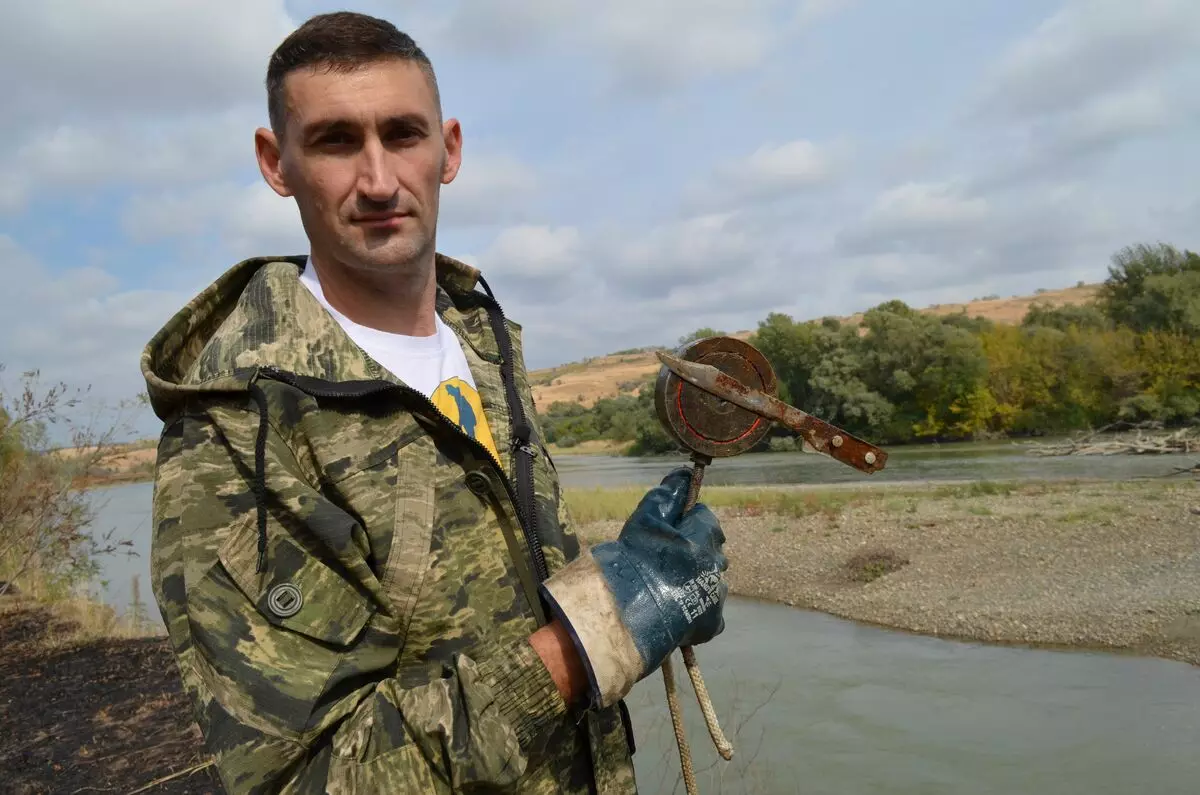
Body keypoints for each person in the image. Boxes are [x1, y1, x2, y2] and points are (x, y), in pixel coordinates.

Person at [140, 11, 729, 794]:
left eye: (403, 134)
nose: (379, 180)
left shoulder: (485, 342)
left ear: (448, 149)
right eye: (336, 140)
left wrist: (634, 572)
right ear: (275, 162)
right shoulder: (234, 432)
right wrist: (605, 624)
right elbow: (309, 775)